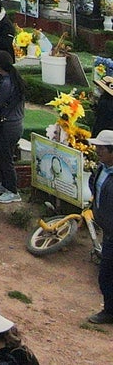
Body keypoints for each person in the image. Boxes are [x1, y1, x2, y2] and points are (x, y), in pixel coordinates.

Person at [0, 50, 25, 204]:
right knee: (2, 156)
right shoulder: (12, 80)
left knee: (5, 157)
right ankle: (5, 185)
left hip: (8, 125)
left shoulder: (7, 83)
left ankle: (13, 191)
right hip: (12, 124)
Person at [87, 129, 113, 325]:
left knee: (107, 271)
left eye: (101, 148)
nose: (96, 150)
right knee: (106, 273)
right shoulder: (102, 168)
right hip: (109, 231)